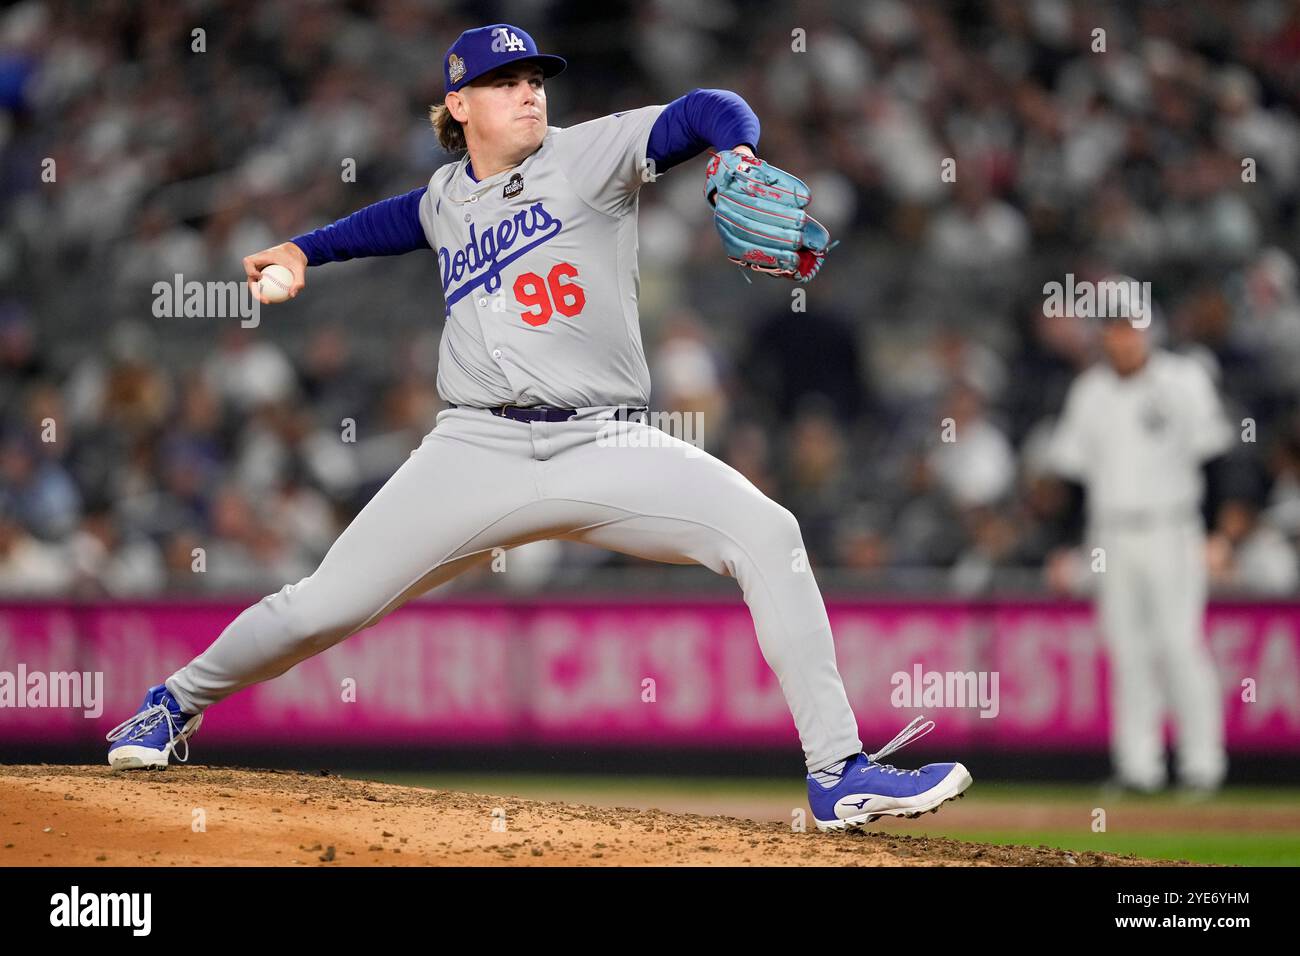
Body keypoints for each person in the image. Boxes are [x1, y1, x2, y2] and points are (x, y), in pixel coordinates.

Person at [104, 23, 971, 831]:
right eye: (502, 82)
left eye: (532, 79)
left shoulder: (594, 153)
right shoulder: (447, 197)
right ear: (457, 105)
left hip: (605, 442)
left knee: (768, 530)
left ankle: (837, 772)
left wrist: (737, 151)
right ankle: (173, 702)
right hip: (474, 450)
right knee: (318, 611)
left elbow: (707, 108)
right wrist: (299, 251)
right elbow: (385, 222)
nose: (528, 93)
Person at [1048, 306, 1233, 795]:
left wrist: (1217, 534)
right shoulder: (1090, 391)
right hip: (1111, 533)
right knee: (1127, 651)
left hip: (1173, 527)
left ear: (1147, 331)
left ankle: (1202, 765)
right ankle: (1139, 768)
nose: (1123, 339)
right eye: (1114, 330)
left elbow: (1215, 461)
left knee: (1179, 645)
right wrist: (1068, 546)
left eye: (1130, 328)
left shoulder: (1184, 378)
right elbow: (1073, 480)